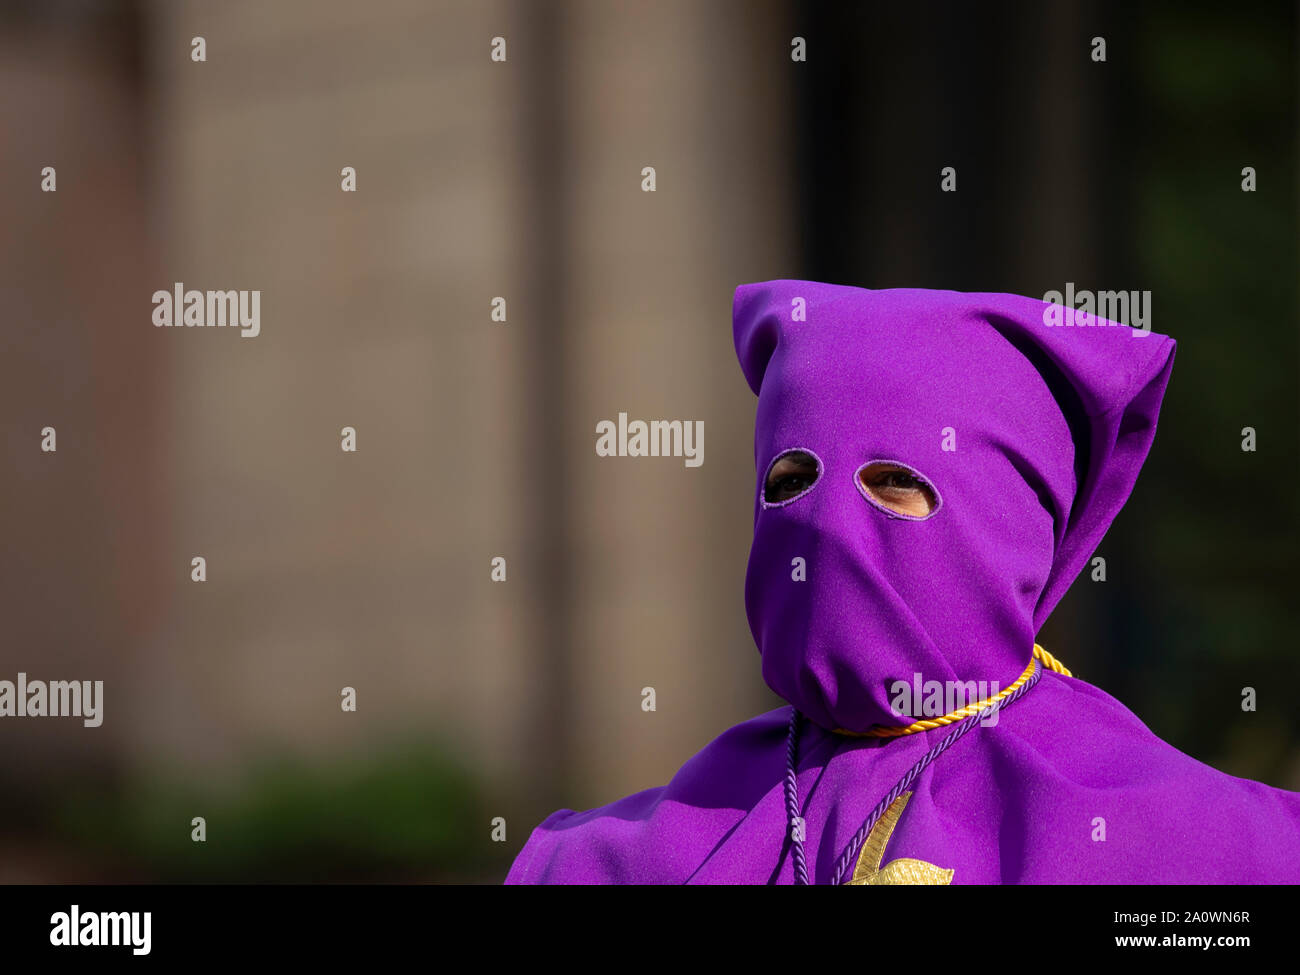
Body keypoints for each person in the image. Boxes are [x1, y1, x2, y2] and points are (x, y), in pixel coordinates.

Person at [505, 280, 1300, 884]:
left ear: (1004, 518)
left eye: (892, 482)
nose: (825, 524)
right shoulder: (606, 857)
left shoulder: (1199, 841)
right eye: (790, 479)